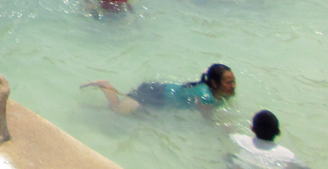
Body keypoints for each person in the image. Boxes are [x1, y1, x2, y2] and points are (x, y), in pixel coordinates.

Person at [82, 64, 235, 115]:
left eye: (234, 81)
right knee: (118, 111)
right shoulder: (205, 95)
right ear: (214, 84)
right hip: (154, 93)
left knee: (137, 117)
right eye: (229, 82)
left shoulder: (221, 93)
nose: (233, 85)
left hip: (160, 95)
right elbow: (207, 119)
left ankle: (92, 108)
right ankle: (104, 84)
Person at [229, 111, 302, 169]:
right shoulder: (287, 155)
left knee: (228, 157)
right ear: (278, 132)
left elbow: (228, 131)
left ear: (252, 129)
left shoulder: (241, 140)